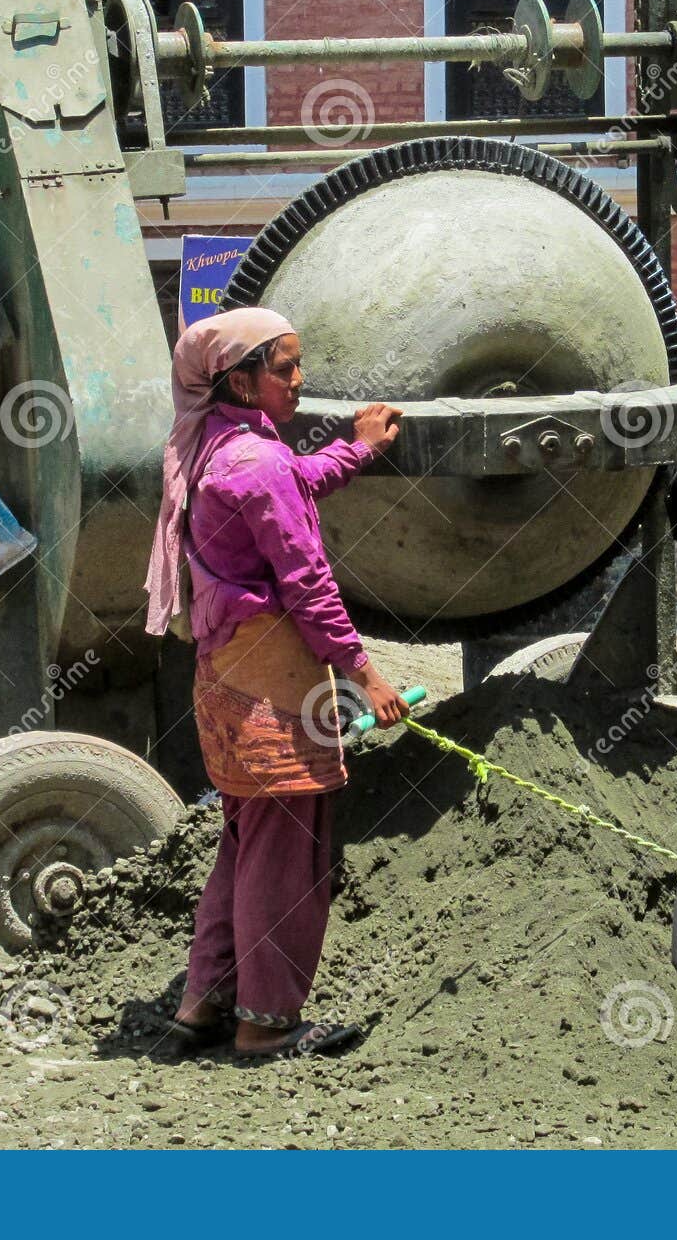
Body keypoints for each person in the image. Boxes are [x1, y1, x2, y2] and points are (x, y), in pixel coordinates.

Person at [143, 307, 409, 1057]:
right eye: (286, 368)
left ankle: (203, 1003)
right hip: (272, 690)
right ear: (240, 380)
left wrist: (356, 450)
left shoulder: (219, 446)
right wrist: (366, 674)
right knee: (288, 853)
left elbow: (295, 481)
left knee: (245, 842)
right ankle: (264, 1023)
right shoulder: (255, 464)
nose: (300, 379)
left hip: (224, 681)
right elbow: (309, 584)